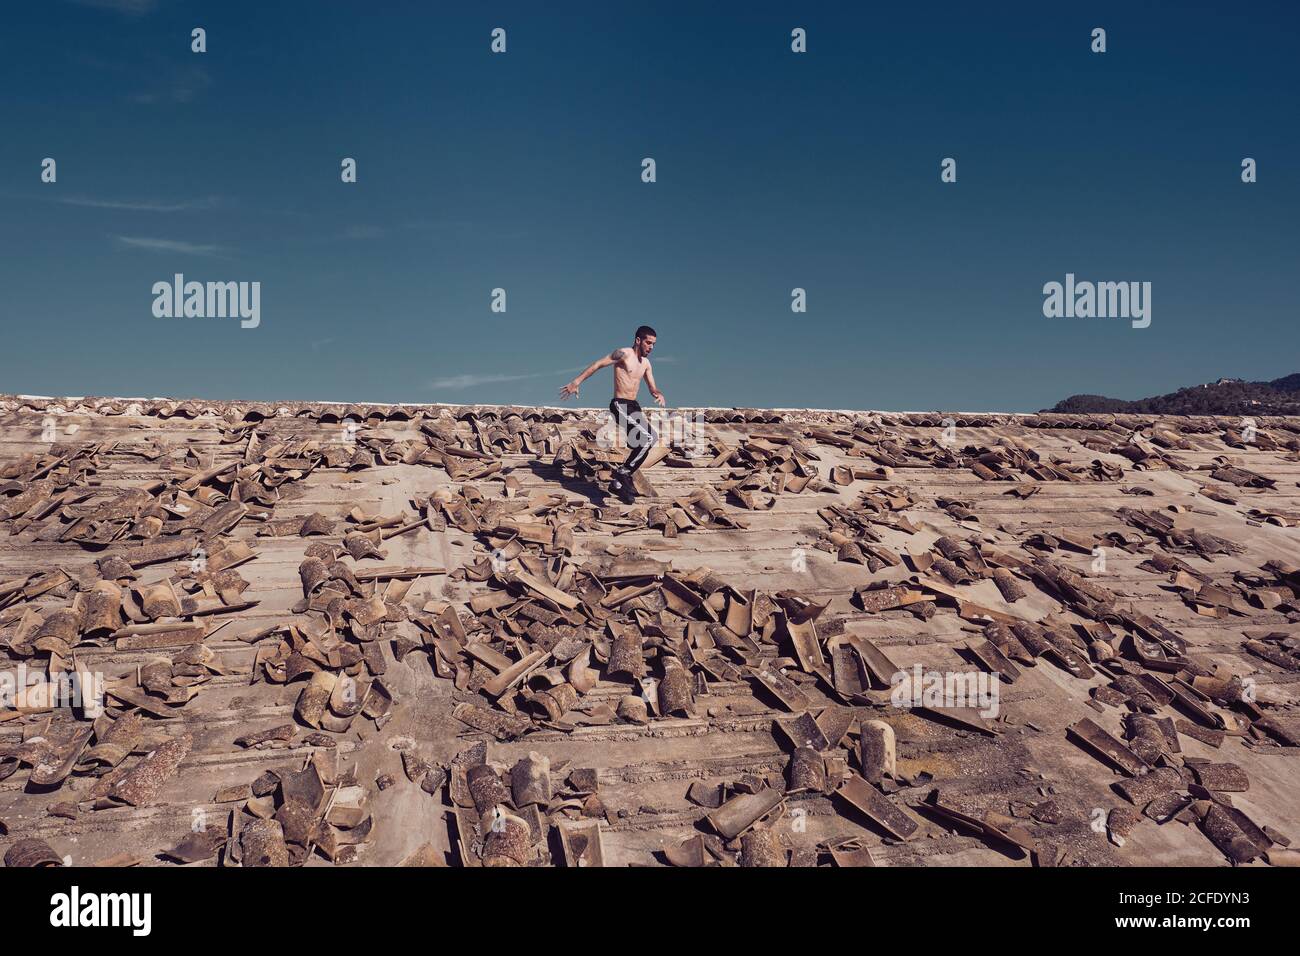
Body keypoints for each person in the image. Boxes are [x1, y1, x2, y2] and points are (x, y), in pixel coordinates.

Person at [558, 325, 664, 503]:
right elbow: (598, 364)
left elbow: (652, 386)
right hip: (620, 404)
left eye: (653, 344)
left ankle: (617, 484)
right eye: (648, 343)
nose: (651, 347)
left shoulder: (646, 364)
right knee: (648, 438)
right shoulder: (622, 354)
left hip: (634, 407)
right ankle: (624, 472)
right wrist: (576, 381)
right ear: (638, 340)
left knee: (644, 441)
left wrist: (657, 393)